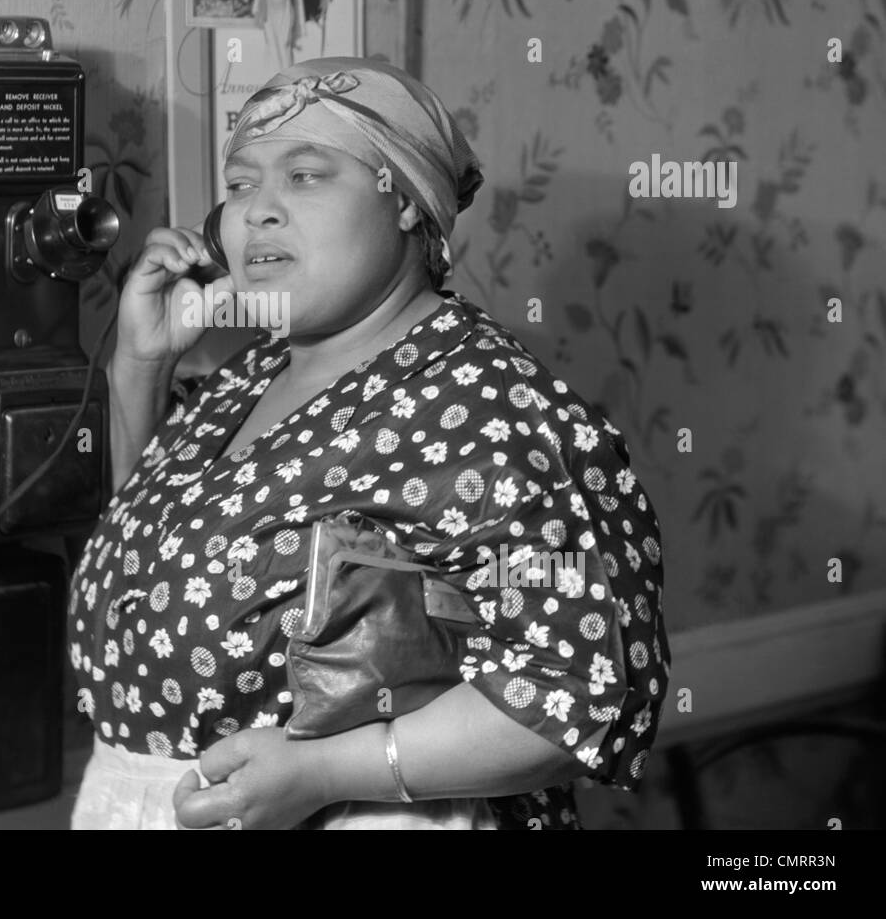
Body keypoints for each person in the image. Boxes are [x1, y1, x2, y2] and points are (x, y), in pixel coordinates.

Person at [67, 57, 670, 830]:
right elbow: (151, 571)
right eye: (241, 184)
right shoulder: (242, 379)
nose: (259, 211)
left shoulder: (494, 411)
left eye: (305, 176)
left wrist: (325, 771)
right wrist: (141, 365)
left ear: (408, 200)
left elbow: (583, 687)